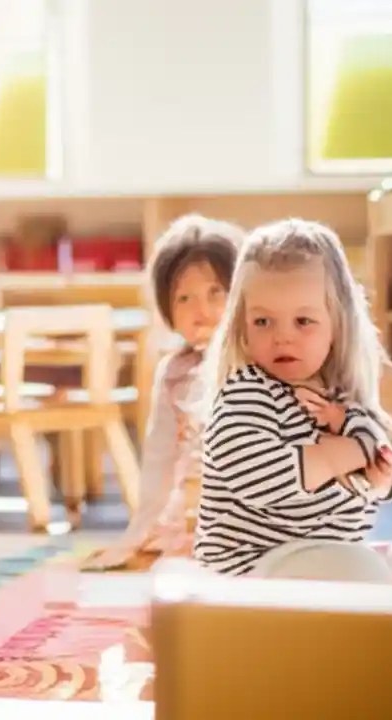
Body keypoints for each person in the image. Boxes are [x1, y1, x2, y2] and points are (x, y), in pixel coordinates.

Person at [192, 218, 392, 582]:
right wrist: (344, 454)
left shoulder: (340, 397)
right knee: (367, 572)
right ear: (242, 326)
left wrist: (380, 478)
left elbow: (377, 456)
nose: (282, 338)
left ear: (337, 324)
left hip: (324, 557)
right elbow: (263, 478)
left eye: (303, 321)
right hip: (250, 570)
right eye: (263, 322)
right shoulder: (245, 396)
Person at [82, 214, 244, 571]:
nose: (201, 311)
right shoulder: (174, 372)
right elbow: (159, 458)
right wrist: (139, 530)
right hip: (190, 510)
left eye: (216, 293)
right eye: (184, 298)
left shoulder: (259, 360)